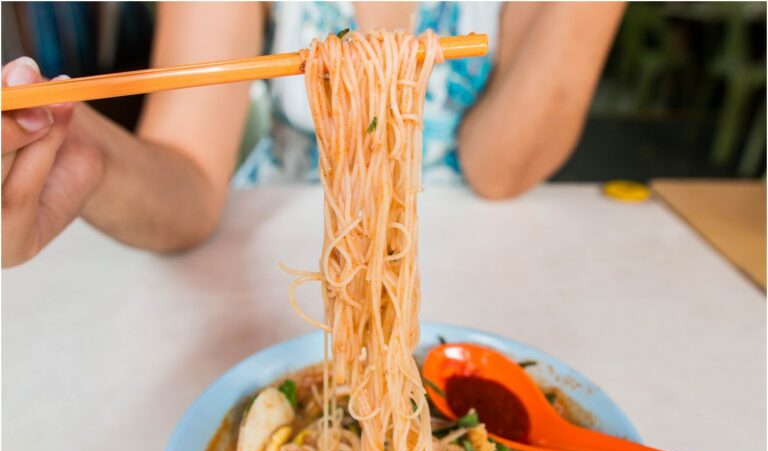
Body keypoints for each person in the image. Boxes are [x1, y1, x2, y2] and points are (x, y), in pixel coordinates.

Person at [1, 2, 625, 268]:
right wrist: (77, 153)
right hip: (285, 255)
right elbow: (186, 182)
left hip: (491, 260)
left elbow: (499, 169)